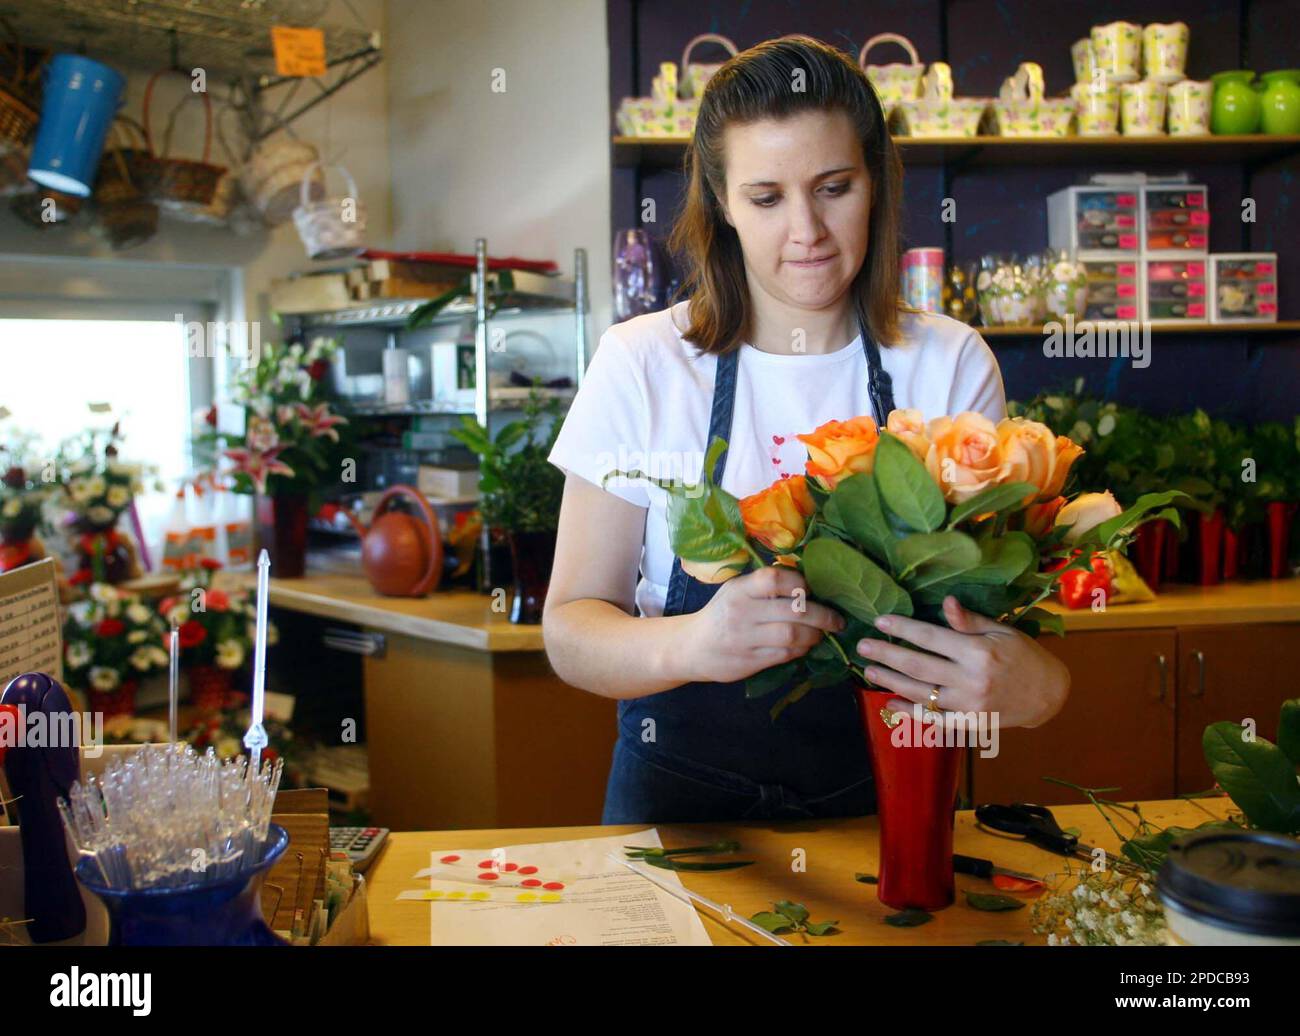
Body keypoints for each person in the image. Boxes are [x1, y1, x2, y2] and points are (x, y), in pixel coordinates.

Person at [543, 34, 1069, 825]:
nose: (807, 231)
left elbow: (994, 636)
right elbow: (572, 628)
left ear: (877, 182)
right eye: (766, 197)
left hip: (885, 809)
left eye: (834, 187)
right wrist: (692, 645)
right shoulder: (642, 363)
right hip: (677, 811)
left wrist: (1037, 691)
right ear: (721, 202)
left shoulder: (949, 362)